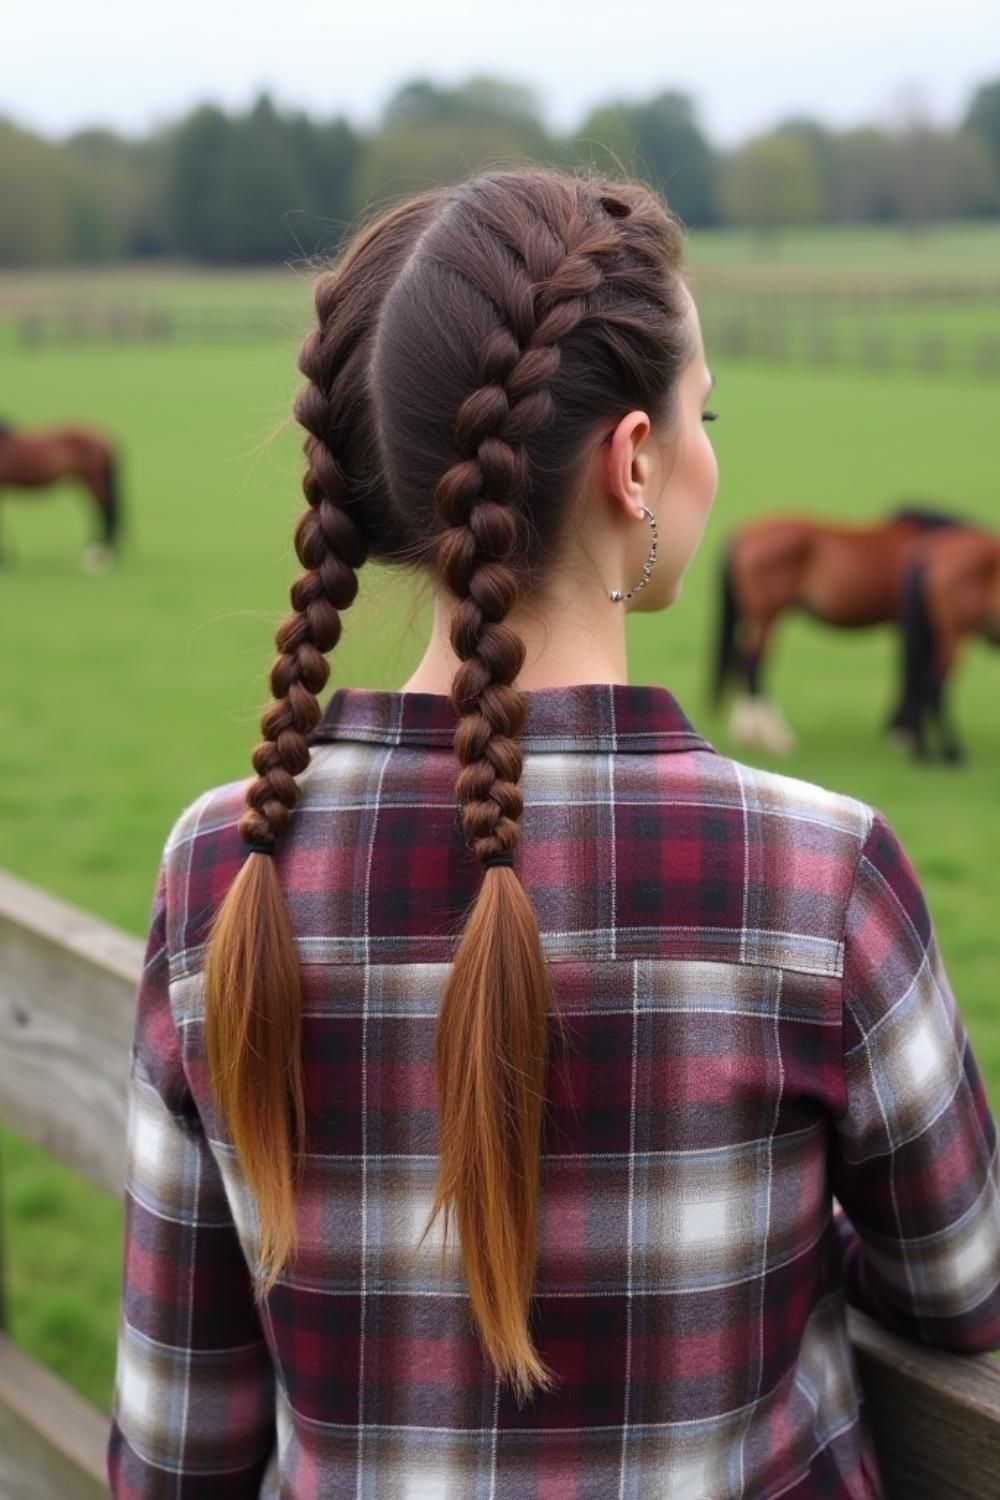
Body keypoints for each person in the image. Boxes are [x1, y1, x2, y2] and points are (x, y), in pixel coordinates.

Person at [107, 166, 1000, 1500]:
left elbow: (180, 1443)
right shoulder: (822, 875)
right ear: (636, 461)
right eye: (707, 415)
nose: (710, 451)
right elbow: (963, 1290)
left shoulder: (219, 867)